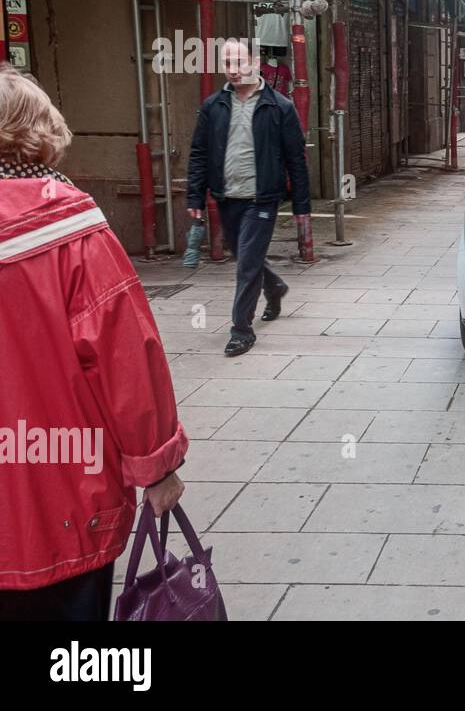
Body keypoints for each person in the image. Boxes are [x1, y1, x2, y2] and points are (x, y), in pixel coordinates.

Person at [0, 64, 187, 620]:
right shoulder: (72, 233)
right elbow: (126, 360)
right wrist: (155, 466)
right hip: (63, 498)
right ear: (42, 133)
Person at [186, 39, 311, 357]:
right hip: (227, 196)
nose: (233, 69)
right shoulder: (213, 106)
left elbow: (296, 158)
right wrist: (195, 196)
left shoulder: (279, 106)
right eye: (227, 63)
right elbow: (199, 153)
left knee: (246, 264)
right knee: (245, 257)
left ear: (255, 63)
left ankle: (241, 330)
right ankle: (275, 286)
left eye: (239, 62)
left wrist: (301, 205)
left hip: (263, 198)